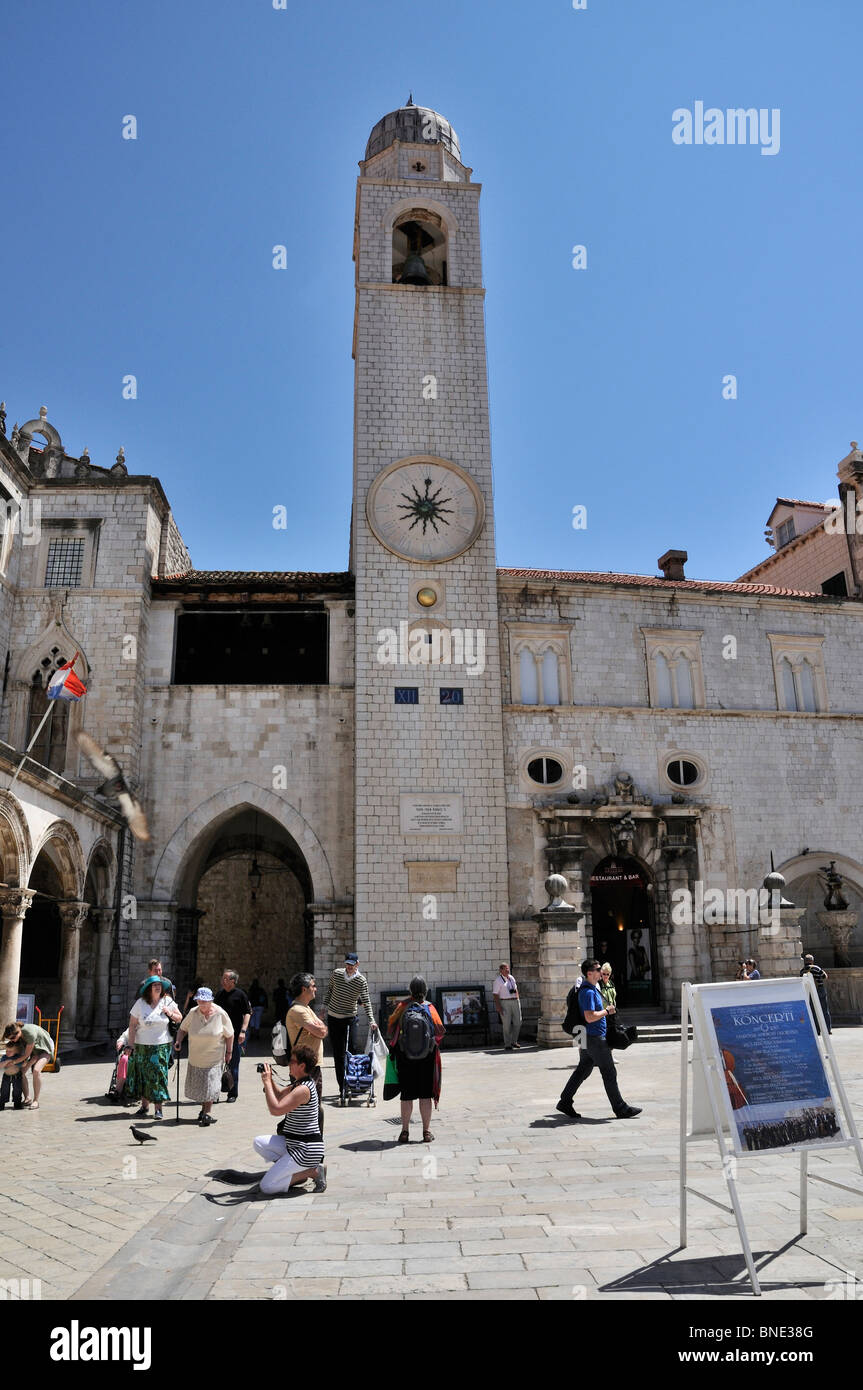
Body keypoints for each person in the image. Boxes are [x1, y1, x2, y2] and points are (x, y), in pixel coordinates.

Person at [556, 960, 641, 1121]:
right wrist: (607, 1011)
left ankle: (565, 1101)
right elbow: (589, 1016)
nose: (600, 971)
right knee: (609, 1072)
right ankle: (620, 1108)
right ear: (589, 973)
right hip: (595, 1038)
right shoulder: (587, 992)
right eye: (597, 969)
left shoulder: (592, 989)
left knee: (583, 1069)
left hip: (590, 1038)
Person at [253, 1045, 326, 1195]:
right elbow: (279, 1096)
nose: (289, 1064)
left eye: (292, 1061)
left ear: (302, 1066)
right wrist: (270, 1079)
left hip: (305, 1148)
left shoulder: (303, 1089)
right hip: (294, 1143)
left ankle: (312, 1171)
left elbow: (276, 1109)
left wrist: (267, 1083)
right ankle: (291, 1172)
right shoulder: (299, 1084)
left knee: (267, 1187)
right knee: (258, 1142)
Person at [387, 976, 445, 1144]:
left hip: (405, 1058)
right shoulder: (430, 1008)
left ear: (410, 990)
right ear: (425, 990)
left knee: (407, 1096)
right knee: (425, 1096)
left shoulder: (402, 1007)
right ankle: (426, 1132)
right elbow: (440, 1031)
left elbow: (391, 1029)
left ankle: (404, 1132)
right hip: (426, 1058)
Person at [174, 987, 234, 1125]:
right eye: (199, 1001)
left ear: (211, 1001)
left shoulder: (220, 1013)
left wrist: (229, 1052)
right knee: (203, 1089)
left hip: (214, 1057)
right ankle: (203, 1110)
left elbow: (230, 1034)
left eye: (204, 1002)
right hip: (196, 1058)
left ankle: (207, 1113)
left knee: (211, 1087)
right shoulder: (193, 1013)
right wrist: (178, 1041)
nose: (201, 1004)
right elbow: (182, 1029)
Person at [125, 976, 182, 1120]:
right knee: (144, 1076)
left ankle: (158, 1109)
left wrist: (168, 1012)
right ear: (149, 988)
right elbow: (132, 1025)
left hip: (161, 1046)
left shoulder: (167, 1001)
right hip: (142, 1046)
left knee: (159, 1076)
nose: (157, 987)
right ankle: (144, 1106)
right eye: (154, 985)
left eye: (159, 985)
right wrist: (130, 1045)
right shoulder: (140, 1003)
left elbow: (179, 1017)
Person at [322, 953, 377, 1095]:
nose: (349, 967)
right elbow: (329, 991)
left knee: (351, 1050)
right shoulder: (337, 974)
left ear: (357, 964)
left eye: (352, 964)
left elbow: (366, 1000)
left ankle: (353, 1082)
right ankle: (342, 1086)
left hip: (350, 1018)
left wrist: (371, 1020)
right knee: (338, 1054)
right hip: (334, 1017)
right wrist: (323, 1008)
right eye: (347, 964)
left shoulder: (361, 980)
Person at [286, 972, 327, 1127]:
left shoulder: (306, 1009)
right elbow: (321, 1031)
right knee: (306, 1109)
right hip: (304, 1067)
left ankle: (314, 1142)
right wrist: (320, 1028)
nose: (315, 989)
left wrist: (320, 1027)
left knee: (314, 1108)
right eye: (313, 986)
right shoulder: (298, 1011)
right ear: (304, 989)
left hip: (311, 1065)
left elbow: (322, 1029)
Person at [1, 1019, 57, 1110]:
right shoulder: (19, 1036)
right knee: (21, 1072)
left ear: (17, 1032)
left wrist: (14, 1062)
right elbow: (26, 1054)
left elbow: (26, 1054)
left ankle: (36, 1101)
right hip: (35, 1052)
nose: (12, 1040)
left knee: (36, 1070)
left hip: (45, 1048)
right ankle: (27, 1098)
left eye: (12, 1038)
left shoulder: (28, 1032)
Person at [214, 968, 251, 1101]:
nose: (222, 981)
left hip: (235, 1036)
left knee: (233, 1065)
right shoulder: (219, 995)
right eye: (222, 978)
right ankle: (215, 1093)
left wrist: (243, 1031)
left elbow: (247, 1013)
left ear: (233, 981)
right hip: (219, 1036)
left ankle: (232, 1093)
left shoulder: (240, 995)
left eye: (225, 978)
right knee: (217, 1065)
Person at [492, 963, 522, 1051]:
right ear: (501, 971)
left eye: (508, 968)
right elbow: (495, 994)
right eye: (505, 969)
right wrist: (498, 1006)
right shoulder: (498, 981)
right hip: (505, 1002)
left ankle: (514, 1041)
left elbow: (515, 989)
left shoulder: (511, 978)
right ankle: (507, 1044)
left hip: (515, 1001)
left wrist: (517, 998)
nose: (507, 970)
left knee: (518, 1022)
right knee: (506, 1024)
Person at [801, 954, 832, 1034]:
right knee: (824, 1010)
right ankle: (827, 1029)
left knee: (813, 1011)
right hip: (820, 990)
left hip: (809, 991)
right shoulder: (816, 968)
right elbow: (824, 976)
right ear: (812, 961)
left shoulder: (802, 971)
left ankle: (817, 1030)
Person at [0, 1036, 27, 1109]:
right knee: (4, 1090)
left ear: (16, 1051)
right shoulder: (4, 1057)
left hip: (17, 1076)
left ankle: (17, 1103)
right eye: (6, 1051)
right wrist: (6, 1062)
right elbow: (0, 1066)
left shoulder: (18, 1057)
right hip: (6, 1076)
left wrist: (20, 1062)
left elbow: (24, 1064)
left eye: (10, 1051)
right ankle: (2, 1103)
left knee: (17, 1090)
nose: (7, 1053)